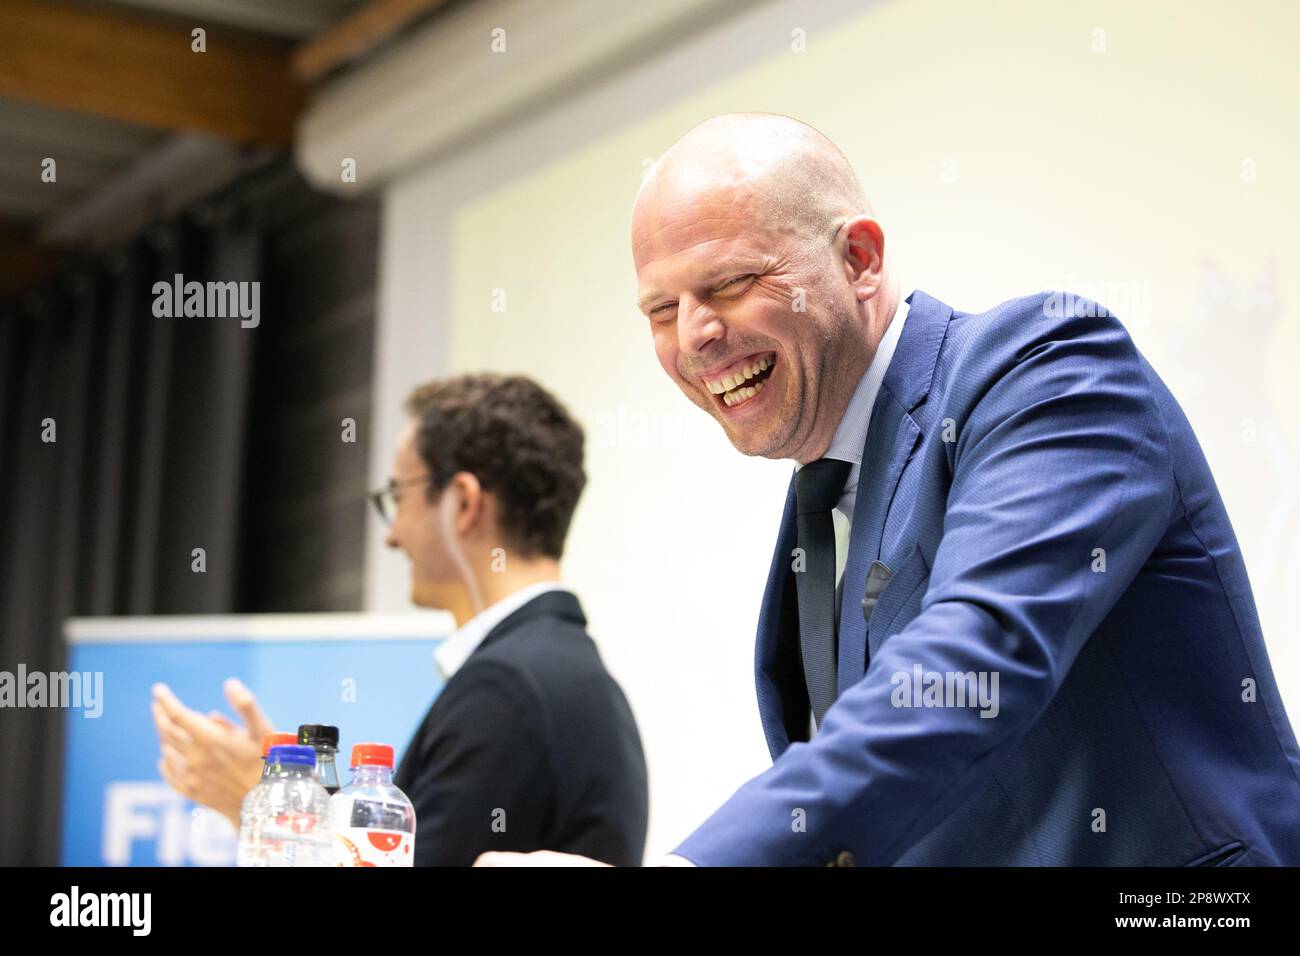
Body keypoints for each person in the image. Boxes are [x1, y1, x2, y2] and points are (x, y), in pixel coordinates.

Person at [477, 112, 1300, 867]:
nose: (694, 335)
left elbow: (972, 664)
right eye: (661, 308)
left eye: (726, 284)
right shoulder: (819, 499)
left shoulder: (1049, 365)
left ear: (859, 260)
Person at [153, 373, 649, 866]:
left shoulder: (508, 690)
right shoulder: (562, 675)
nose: (391, 536)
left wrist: (273, 809)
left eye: (398, 496)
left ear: (462, 503)